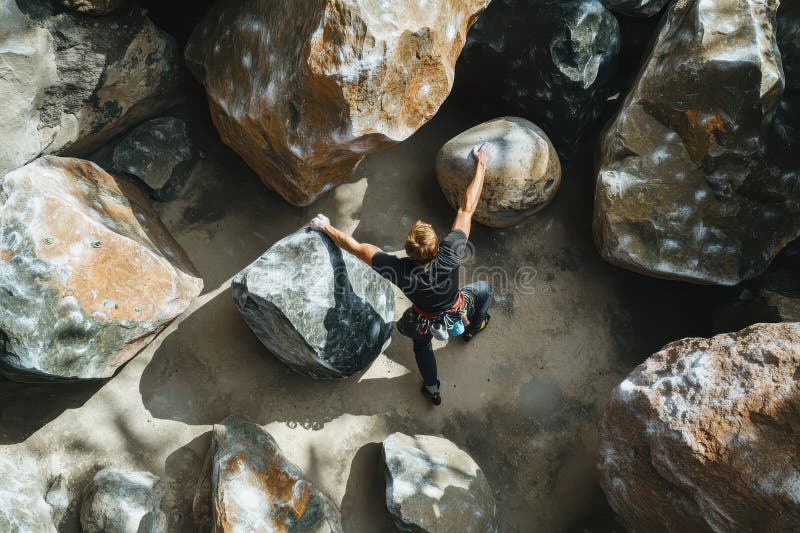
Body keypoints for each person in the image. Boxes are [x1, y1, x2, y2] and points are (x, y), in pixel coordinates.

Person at [310, 143, 495, 406]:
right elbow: (467, 209)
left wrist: (326, 228)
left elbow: (356, 247)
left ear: (408, 250)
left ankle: (432, 388)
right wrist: (482, 163)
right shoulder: (451, 251)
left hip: (424, 319)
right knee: (483, 289)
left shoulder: (397, 269)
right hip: (457, 307)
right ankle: (474, 326)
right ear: (437, 246)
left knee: (420, 343)